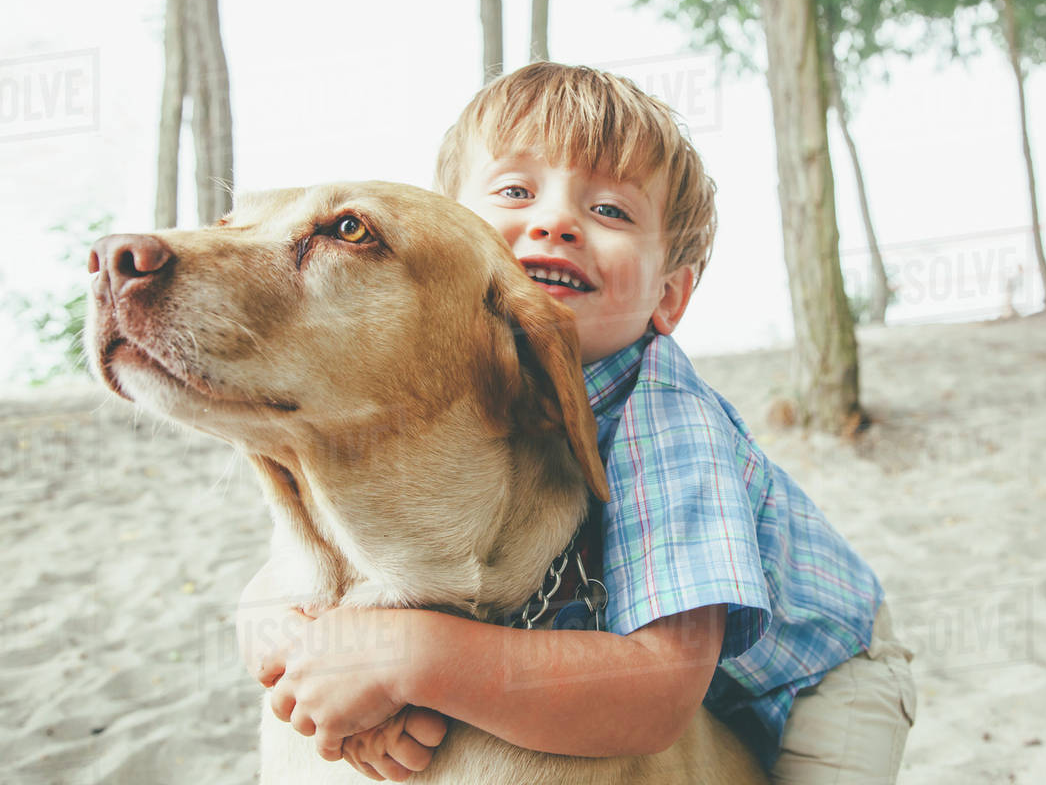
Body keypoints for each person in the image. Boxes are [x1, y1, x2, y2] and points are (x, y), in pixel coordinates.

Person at [238, 62, 916, 784]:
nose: (555, 222)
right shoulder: (459, 390)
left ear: (669, 296)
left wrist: (411, 657)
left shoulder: (670, 427)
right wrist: (316, 670)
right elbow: (274, 587)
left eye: (612, 212)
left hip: (818, 675)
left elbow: (658, 692)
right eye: (515, 192)